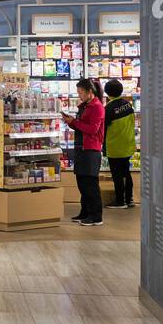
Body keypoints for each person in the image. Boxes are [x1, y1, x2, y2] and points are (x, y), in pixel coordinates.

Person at [62, 78, 106, 226]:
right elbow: (82, 127)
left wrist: (74, 122)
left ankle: (96, 216)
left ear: (89, 92)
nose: (79, 95)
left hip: (91, 149)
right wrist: (71, 122)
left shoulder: (97, 107)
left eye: (81, 92)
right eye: (78, 92)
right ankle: (85, 212)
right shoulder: (85, 106)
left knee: (90, 184)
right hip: (81, 148)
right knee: (81, 182)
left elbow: (93, 130)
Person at [102, 78, 136, 209]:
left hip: (115, 146)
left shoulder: (108, 109)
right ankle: (129, 199)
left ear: (107, 93)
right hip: (128, 144)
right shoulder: (128, 104)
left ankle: (120, 201)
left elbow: (103, 129)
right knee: (126, 173)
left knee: (117, 175)